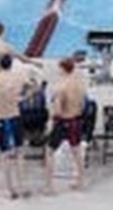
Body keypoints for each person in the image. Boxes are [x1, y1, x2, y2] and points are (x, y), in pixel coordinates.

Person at [0, 54, 32, 200]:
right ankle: (22, 187)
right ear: (11, 64)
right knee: (19, 153)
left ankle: (10, 190)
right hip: (15, 116)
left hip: (0, 117)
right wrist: (23, 97)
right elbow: (34, 86)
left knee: (5, 155)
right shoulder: (19, 77)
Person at [44, 57, 87, 193]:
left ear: (62, 69)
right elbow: (82, 106)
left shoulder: (60, 88)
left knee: (49, 152)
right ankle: (80, 182)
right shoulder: (80, 85)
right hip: (76, 121)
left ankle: (49, 186)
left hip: (63, 122)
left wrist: (51, 111)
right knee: (77, 152)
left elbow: (57, 110)